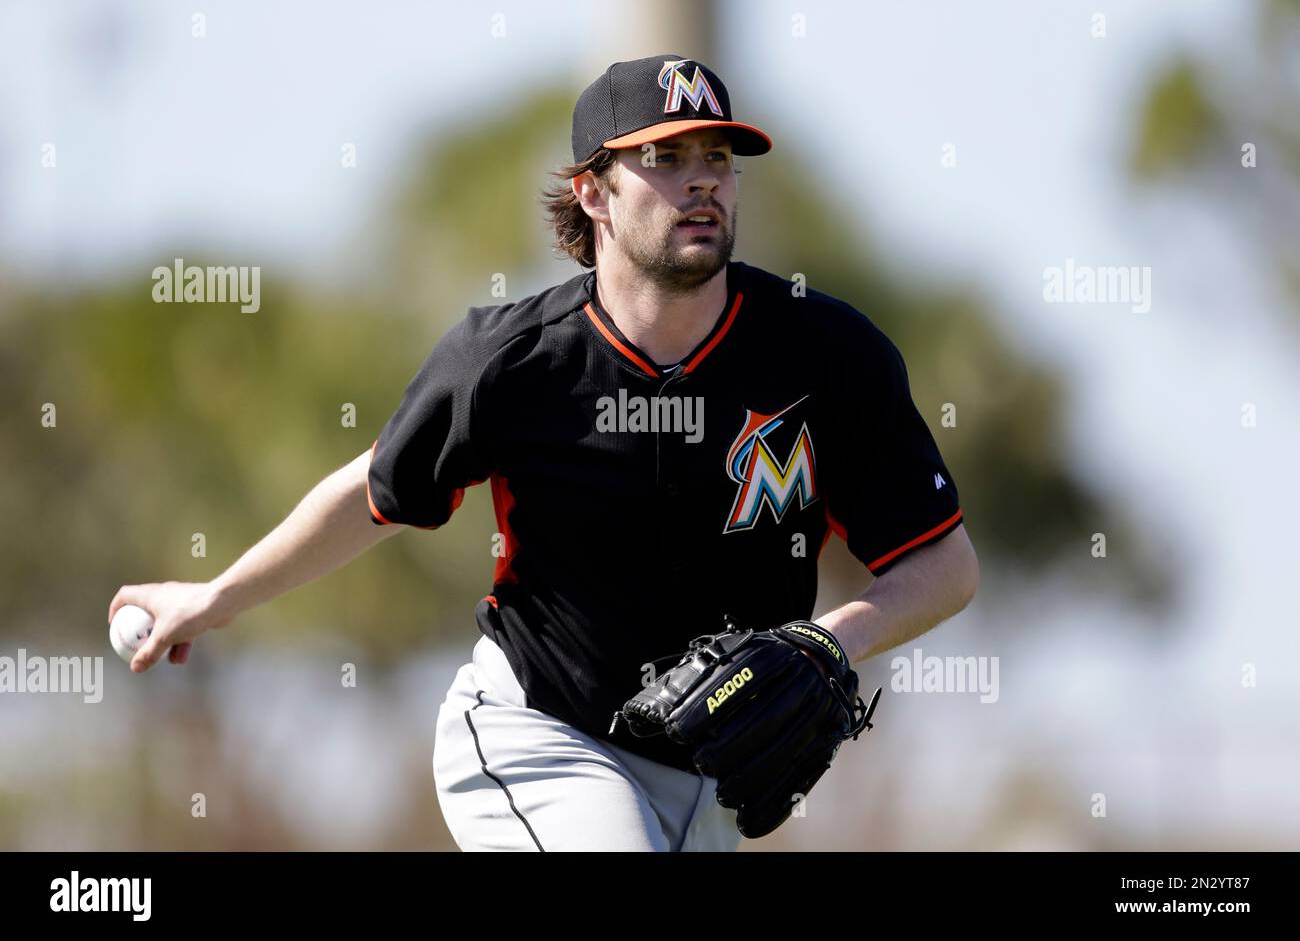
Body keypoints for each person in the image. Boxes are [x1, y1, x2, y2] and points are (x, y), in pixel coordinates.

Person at [109, 55, 980, 852]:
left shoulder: (825, 353)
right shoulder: (512, 361)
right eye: (666, 160)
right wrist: (216, 597)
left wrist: (823, 644)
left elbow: (943, 565)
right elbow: (375, 493)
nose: (702, 183)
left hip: (703, 778)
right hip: (541, 735)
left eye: (716, 156)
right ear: (594, 192)